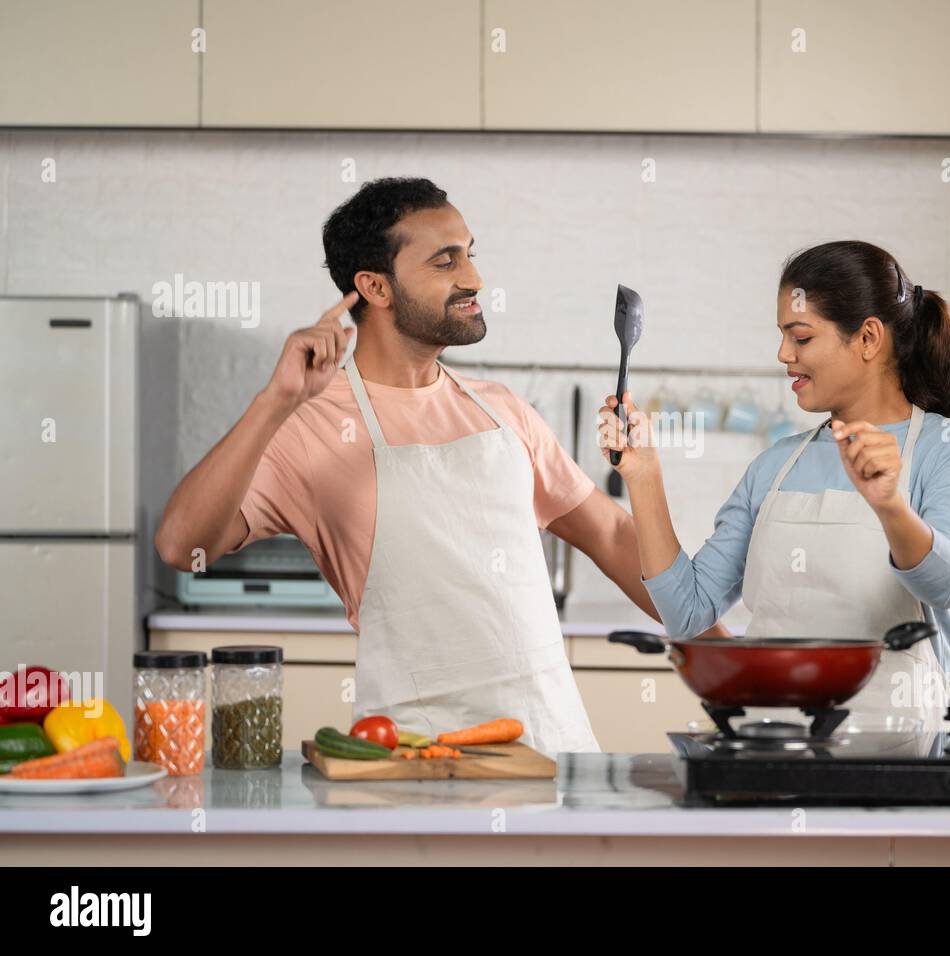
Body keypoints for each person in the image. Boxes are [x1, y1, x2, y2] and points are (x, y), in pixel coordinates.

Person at [156, 177, 720, 756]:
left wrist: (726, 654)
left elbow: (612, 534)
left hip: (549, 747)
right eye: (445, 262)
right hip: (409, 758)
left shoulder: (503, 411)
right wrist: (274, 401)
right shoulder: (307, 425)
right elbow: (182, 546)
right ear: (375, 286)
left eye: (470, 255)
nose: (474, 278)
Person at [598, 240, 950, 730]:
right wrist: (645, 475)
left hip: (899, 758)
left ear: (869, 338)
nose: (783, 353)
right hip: (775, 739)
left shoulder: (947, 447)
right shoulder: (777, 464)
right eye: (783, 336)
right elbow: (688, 611)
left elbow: (944, 584)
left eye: (802, 337)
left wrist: (890, 505)